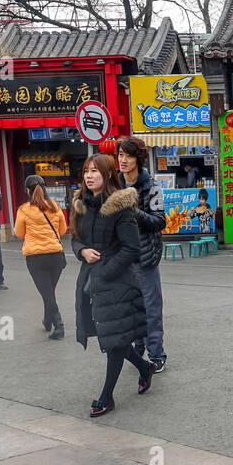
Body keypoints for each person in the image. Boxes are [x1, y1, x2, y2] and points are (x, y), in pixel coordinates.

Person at [71, 154, 152, 417]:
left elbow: (132, 249)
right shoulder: (80, 204)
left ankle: (106, 397)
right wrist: (82, 250)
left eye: (95, 171)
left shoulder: (120, 206)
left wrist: (105, 271)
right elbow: (75, 239)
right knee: (113, 336)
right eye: (86, 171)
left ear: (107, 175)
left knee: (114, 340)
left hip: (117, 283)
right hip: (90, 281)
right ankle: (143, 367)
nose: (89, 176)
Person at [118, 136, 168, 373]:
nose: (123, 160)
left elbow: (159, 222)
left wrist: (134, 210)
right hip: (120, 259)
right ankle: (138, 349)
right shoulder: (113, 185)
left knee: (151, 308)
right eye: (120, 155)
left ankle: (157, 354)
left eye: (128, 155)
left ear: (138, 158)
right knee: (128, 307)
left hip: (145, 257)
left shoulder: (152, 186)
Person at [13, 174, 68, 339]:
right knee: (49, 291)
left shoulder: (24, 209)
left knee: (47, 293)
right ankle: (47, 320)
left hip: (36, 258)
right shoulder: (54, 207)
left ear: (27, 190)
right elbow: (63, 230)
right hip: (55, 255)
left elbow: (19, 233)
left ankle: (59, 326)